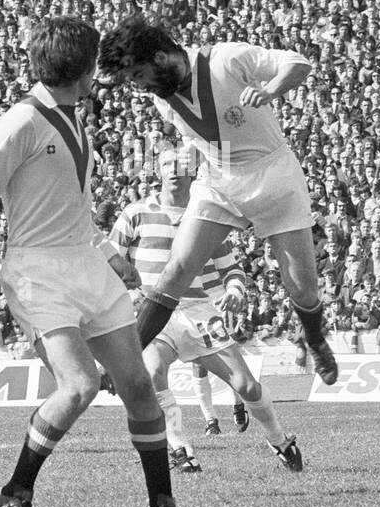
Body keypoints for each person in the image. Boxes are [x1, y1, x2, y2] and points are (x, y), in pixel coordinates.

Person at [0, 16, 191, 507]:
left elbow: (68, 204)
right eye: (94, 62)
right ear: (79, 67)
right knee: (80, 384)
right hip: (36, 270)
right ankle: (14, 494)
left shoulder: (70, 114)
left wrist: (109, 258)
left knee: (138, 386)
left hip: (84, 263)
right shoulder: (20, 122)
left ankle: (162, 505)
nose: (100, 72)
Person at [96, 14, 338, 386]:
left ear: (160, 58)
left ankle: (317, 340)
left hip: (274, 175)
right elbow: (205, 141)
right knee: (176, 270)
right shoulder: (164, 102)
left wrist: (271, 89)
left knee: (303, 290)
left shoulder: (225, 58)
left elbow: (297, 62)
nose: (139, 87)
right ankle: (123, 367)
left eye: (137, 75)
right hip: (220, 181)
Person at [107, 146, 302, 473]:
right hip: (154, 314)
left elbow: (233, 269)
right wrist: (122, 295)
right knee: (153, 372)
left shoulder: (207, 217)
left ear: (192, 171)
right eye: (166, 163)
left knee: (246, 386)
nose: (172, 169)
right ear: (158, 170)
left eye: (180, 164)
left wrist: (235, 289)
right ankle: (180, 448)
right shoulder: (135, 213)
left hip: (199, 312)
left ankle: (279, 439)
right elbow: (110, 261)